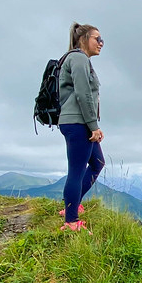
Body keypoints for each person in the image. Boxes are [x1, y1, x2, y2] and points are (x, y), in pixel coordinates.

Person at [57, 22, 106, 231]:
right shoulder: (78, 58)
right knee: (76, 171)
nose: (101, 43)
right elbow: (83, 93)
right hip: (77, 123)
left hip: (79, 122)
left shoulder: (79, 59)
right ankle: (71, 221)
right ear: (83, 39)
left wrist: (93, 125)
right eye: (97, 39)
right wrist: (93, 126)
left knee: (97, 163)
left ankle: (72, 204)